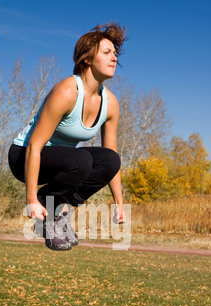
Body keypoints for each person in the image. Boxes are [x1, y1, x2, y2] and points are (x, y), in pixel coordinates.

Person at [8, 23, 127, 251]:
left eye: (114, 53)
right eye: (106, 52)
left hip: (61, 161)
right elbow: (35, 145)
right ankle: (46, 203)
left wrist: (119, 203)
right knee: (81, 160)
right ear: (87, 59)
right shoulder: (67, 91)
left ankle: (60, 210)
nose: (114, 58)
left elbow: (111, 160)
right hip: (24, 156)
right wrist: (31, 200)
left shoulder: (110, 103)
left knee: (111, 160)